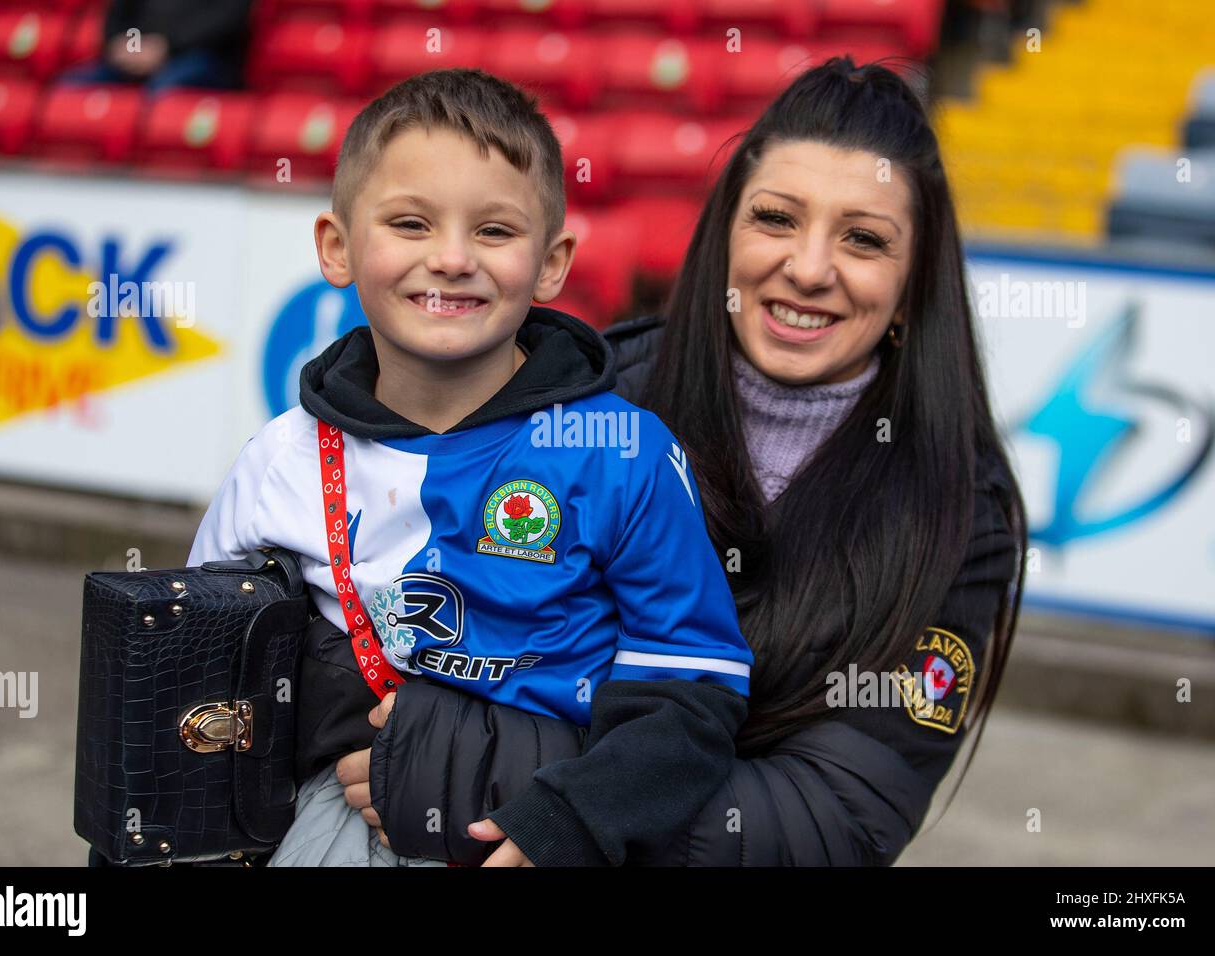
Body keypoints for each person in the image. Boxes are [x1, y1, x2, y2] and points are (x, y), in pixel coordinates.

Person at [340, 56, 1029, 865]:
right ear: (724, 233)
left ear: (913, 285)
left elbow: (836, 821)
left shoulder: (960, 510)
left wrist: (508, 776)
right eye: (776, 219)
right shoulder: (585, 402)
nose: (808, 269)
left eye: (865, 239)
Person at [186, 68, 754, 868]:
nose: (452, 259)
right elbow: (198, 679)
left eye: (494, 231)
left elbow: (694, 699)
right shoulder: (280, 460)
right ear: (338, 248)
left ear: (552, 263)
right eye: (411, 224)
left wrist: (566, 822)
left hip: (546, 831)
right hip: (333, 810)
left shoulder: (623, 453)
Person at [60, 0, 251, 93]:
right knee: (70, 89)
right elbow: (117, 19)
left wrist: (166, 47)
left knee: (162, 93)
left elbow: (227, 21)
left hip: (201, 59)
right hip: (135, 58)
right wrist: (130, 47)